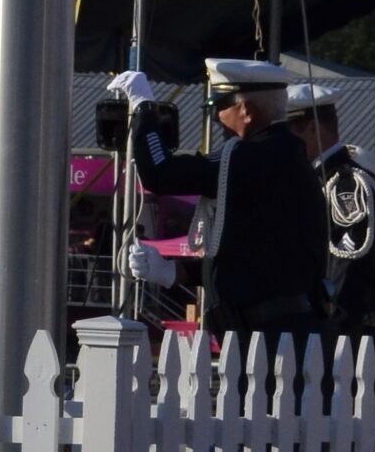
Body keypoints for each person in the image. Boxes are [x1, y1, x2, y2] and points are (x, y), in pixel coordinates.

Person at [113, 57, 328, 356]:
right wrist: (173, 272)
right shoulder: (286, 156)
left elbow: (160, 172)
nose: (216, 118)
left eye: (221, 106)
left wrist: (144, 109)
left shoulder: (246, 157)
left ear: (246, 110)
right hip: (283, 331)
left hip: (264, 338)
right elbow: (250, 257)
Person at [285, 80, 375, 339]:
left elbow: (347, 272)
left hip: (345, 342)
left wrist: (326, 331)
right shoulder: (315, 182)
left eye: (288, 135)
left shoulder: (344, 186)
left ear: (313, 130)